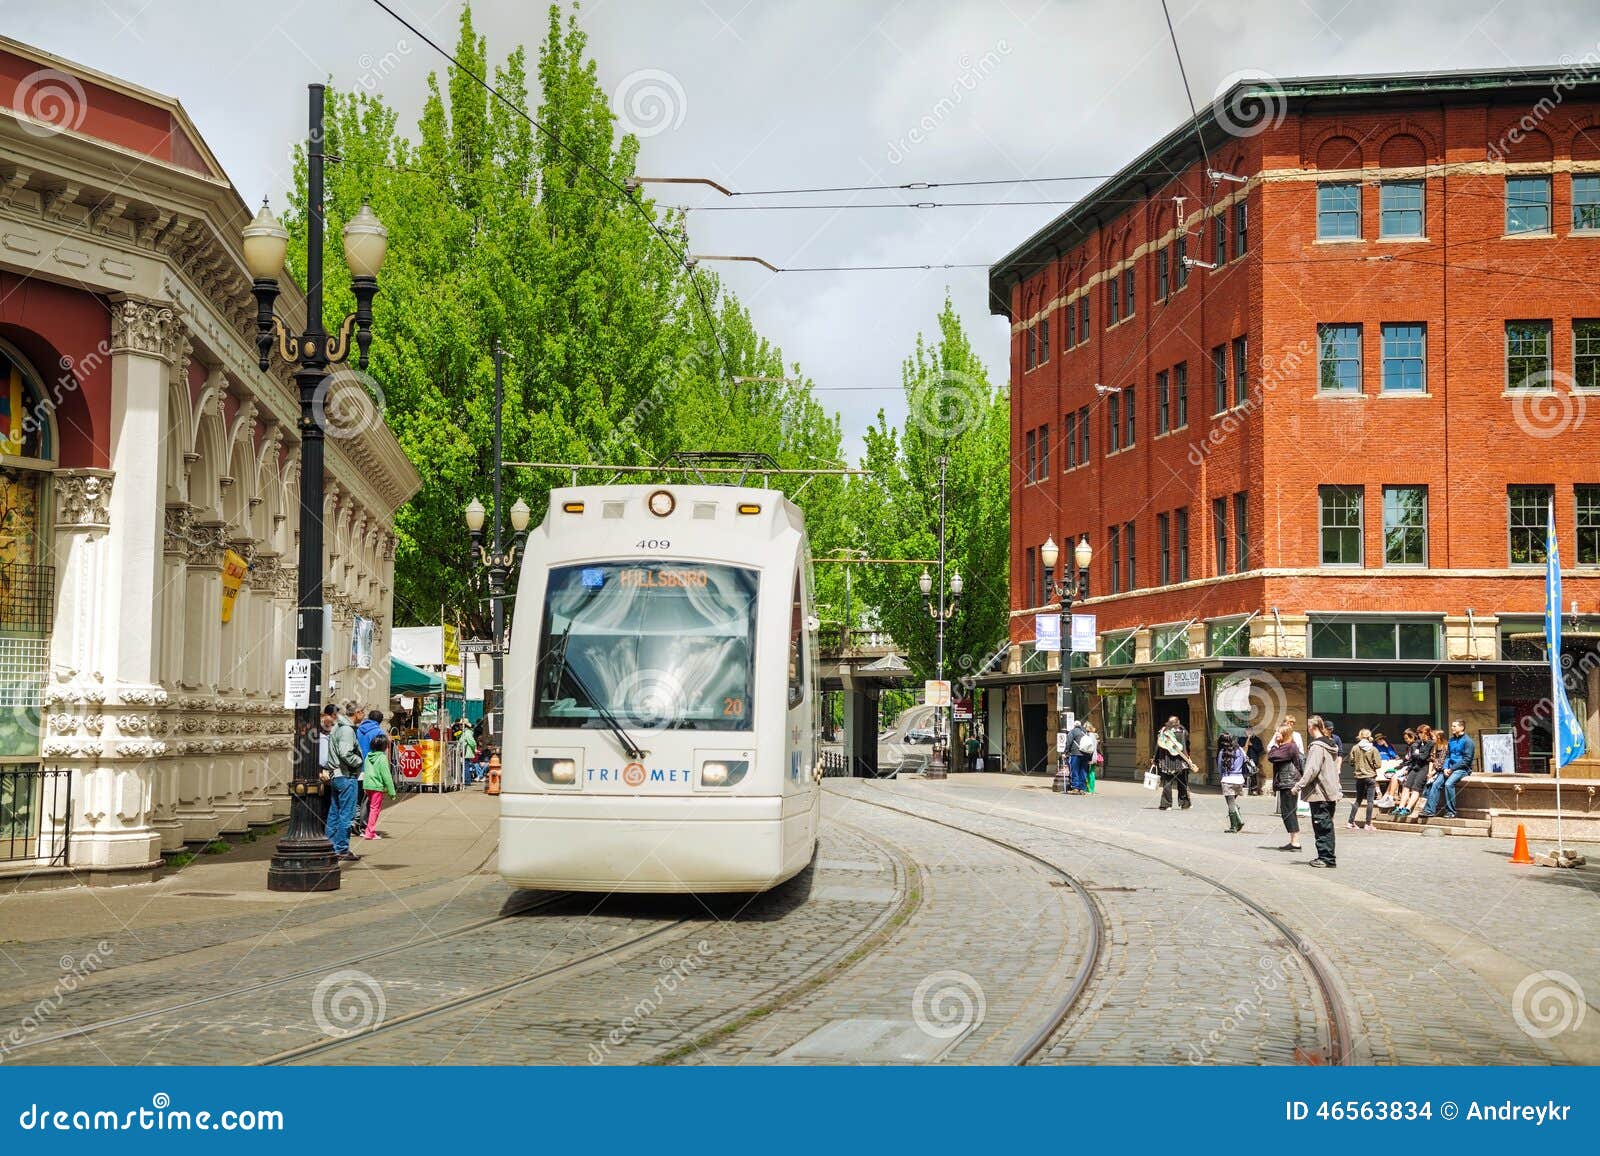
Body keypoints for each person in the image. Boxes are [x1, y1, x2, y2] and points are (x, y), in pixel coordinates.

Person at [1293, 715, 1343, 868]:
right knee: (1327, 825)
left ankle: (1326, 858)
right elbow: (1333, 770)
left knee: (1322, 825)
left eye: (1308, 727)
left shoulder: (1317, 747)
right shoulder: (1331, 745)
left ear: (1312, 728)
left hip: (1320, 792)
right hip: (1330, 792)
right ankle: (1327, 856)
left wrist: (1298, 786)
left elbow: (1312, 770)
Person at [321, 706, 363, 862]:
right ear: (357, 713)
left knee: (334, 812)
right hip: (346, 775)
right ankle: (341, 849)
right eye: (362, 712)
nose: (363, 715)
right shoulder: (347, 730)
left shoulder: (337, 727)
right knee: (346, 814)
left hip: (336, 775)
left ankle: (330, 845)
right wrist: (359, 762)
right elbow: (345, 753)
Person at [1420, 719, 1476, 819]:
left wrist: (1452, 769)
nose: (1452, 728)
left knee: (1448, 784)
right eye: (1452, 726)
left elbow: (1467, 760)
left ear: (1461, 727)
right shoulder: (1451, 740)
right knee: (1436, 783)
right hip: (1449, 768)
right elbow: (1448, 756)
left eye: (1454, 726)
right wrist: (1445, 768)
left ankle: (1451, 811)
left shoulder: (1468, 741)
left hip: (1462, 769)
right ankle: (1429, 810)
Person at [1267, 722, 1305, 852]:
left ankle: (1295, 842)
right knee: (1288, 812)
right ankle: (1293, 841)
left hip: (1289, 783)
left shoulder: (1289, 747)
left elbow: (1271, 756)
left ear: (1284, 734)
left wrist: (1274, 745)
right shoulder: (1286, 746)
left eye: (1278, 732)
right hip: (1287, 783)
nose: (1276, 734)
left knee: (1288, 812)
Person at [1392, 725, 1434, 818]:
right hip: (1415, 767)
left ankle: (1408, 808)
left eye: (1420, 732)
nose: (1418, 735)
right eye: (1418, 732)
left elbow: (1423, 757)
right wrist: (1418, 755)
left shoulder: (1430, 743)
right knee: (1406, 786)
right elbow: (1414, 756)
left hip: (1424, 768)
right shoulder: (1418, 743)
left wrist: (1418, 754)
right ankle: (1401, 807)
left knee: (1416, 788)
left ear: (1426, 733)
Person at [1152, 716, 1194, 810]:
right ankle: (1185, 804)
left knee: (1167, 782)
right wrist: (1188, 757)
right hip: (1181, 761)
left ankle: (1166, 804)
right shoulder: (1183, 731)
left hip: (1167, 761)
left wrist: (1155, 759)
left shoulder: (1163, 732)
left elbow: (1158, 746)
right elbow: (1187, 744)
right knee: (1183, 782)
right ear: (1178, 722)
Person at [360, 733, 396, 839]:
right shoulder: (382, 758)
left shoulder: (368, 756)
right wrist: (392, 792)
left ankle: (368, 830)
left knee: (370, 808)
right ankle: (370, 832)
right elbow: (387, 776)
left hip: (367, 785)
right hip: (376, 786)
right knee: (375, 809)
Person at [1347, 728, 1381, 830]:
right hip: (1370, 777)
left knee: (1358, 800)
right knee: (1370, 801)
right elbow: (1378, 764)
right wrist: (1372, 765)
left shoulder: (1355, 748)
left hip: (1359, 777)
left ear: (1360, 736)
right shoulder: (1373, 749)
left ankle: (1350, 822)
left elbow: (1351, 762)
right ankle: (1368, 824)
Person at [1217, 732, 1247, 832]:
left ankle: (1234, 826)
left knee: (1230, 804)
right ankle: (1238, 820)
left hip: (1228, 780)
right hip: (1239, 779)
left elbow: (1220, 768)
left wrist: (1222, 778)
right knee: (1233, 802)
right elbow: (1245, 761)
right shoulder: (1240, 750)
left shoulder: (1222, 752)